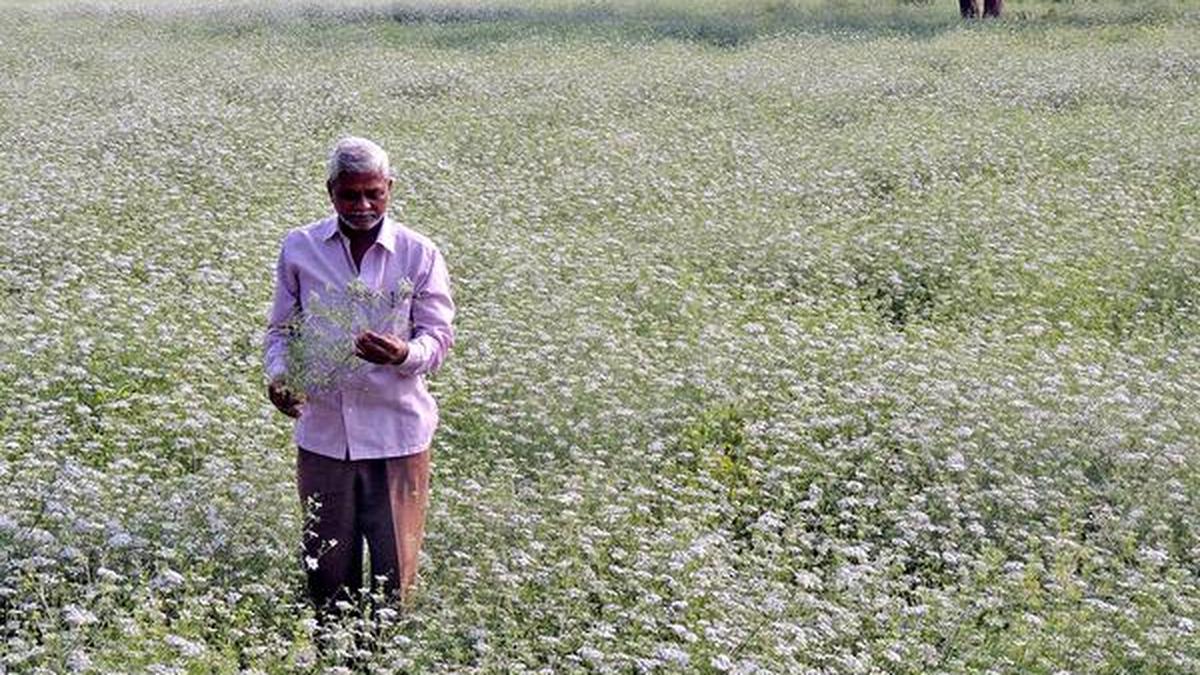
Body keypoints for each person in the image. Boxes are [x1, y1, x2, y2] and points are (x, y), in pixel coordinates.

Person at [263, 137, 455, 613]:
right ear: (330, 191)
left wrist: (404, 354)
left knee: (395, 578)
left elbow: (438, 337)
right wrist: (281, 377)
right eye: (350, 195)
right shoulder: (300, 247)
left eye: (374, 193)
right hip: (324, 436)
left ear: (390, 188)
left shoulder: (419, 252)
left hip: (397, 435)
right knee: (326, 575)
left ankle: (386, 649)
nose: (363, 205)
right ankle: (332, 649)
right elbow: (281, 330)